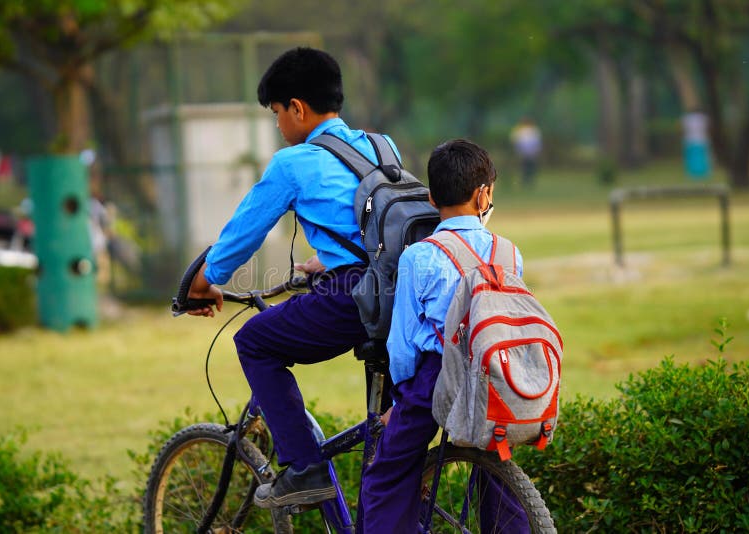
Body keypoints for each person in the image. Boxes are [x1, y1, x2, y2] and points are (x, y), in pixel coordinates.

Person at [185, 47, 400, 508]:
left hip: (352, 299)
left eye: (277, 113)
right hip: (401, 293)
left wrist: (205, 282)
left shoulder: (292, 163)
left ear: (297, 108)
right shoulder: (382, 146)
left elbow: (242, 236)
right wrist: (327, 260)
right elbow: (376, 221)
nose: (279, 126)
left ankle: (305, 470)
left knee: (255, 341)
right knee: (388, 441)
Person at [360, 139, 528, 532]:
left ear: (432, 196)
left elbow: (401, 346)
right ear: (483, 194)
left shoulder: (420, 255)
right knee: (497, 469)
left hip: (437, 379)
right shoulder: (509, 253)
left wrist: (400, 402)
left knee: (387, 476)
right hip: (498, 375)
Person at [510, 117, 542, 187]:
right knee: (526, 168)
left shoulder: (524, 130)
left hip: (528, 153)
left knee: (528, 167)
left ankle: (527, 181)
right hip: (528, 153)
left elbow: (515, 141)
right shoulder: (529, 131)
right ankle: (526, 181)